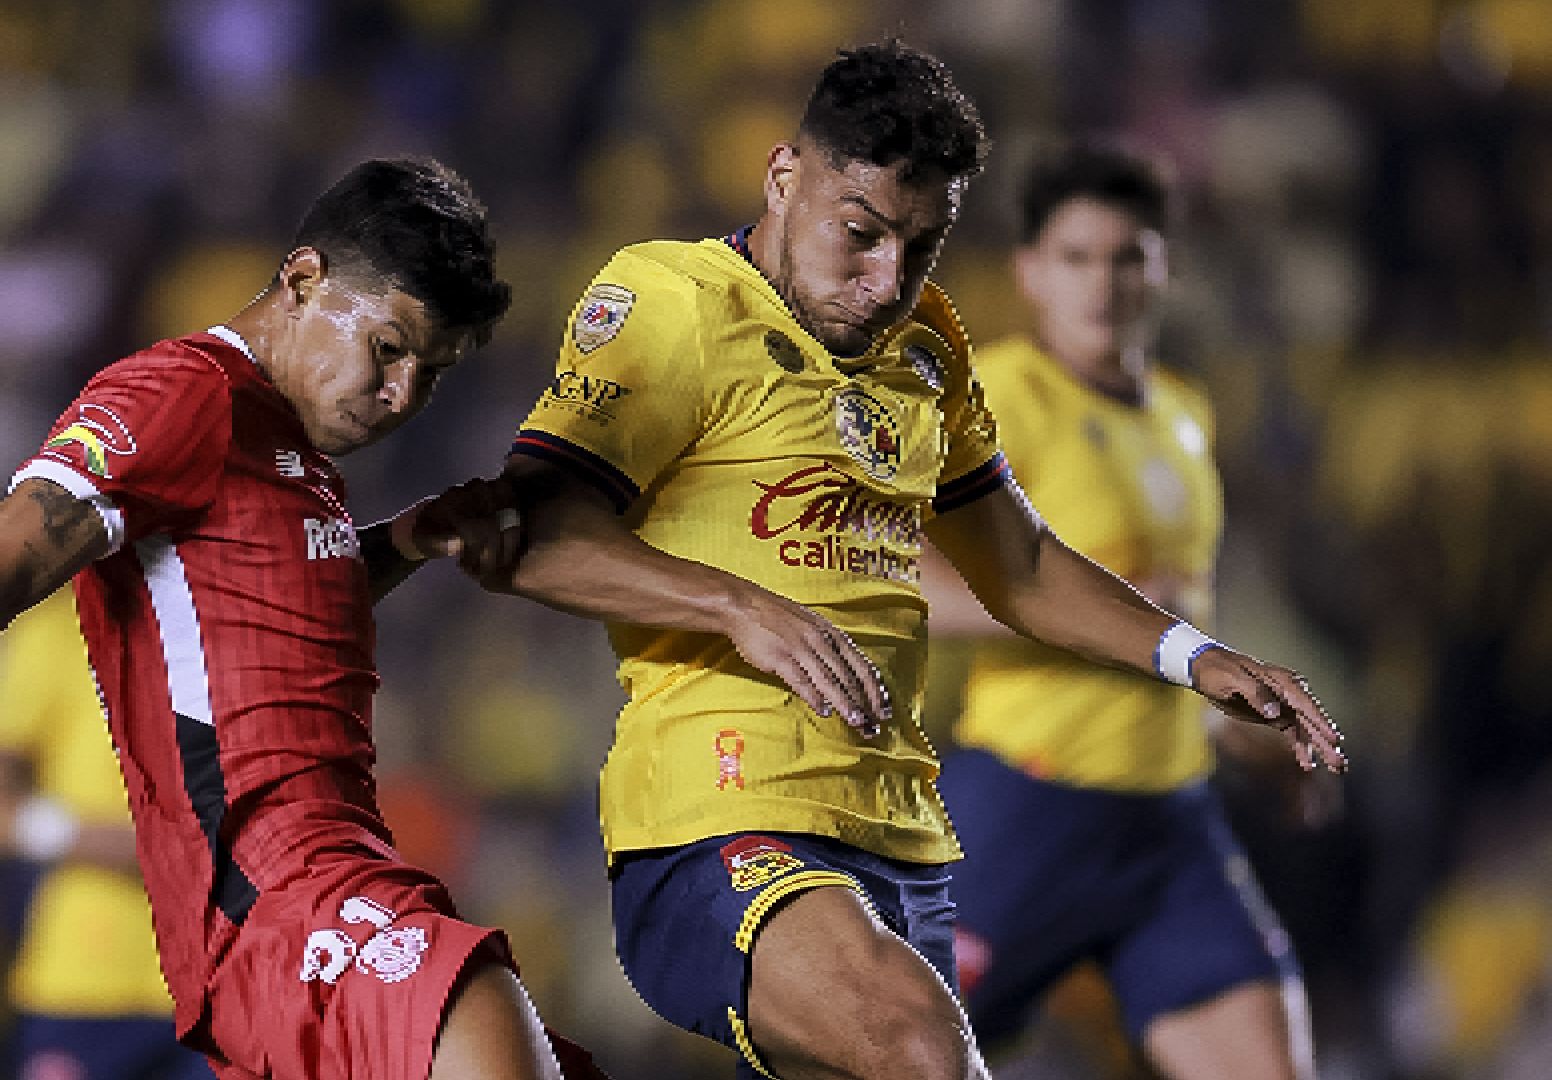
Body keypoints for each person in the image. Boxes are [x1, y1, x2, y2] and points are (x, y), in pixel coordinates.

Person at [489, 42, 1345, 1080]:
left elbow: (1019, 565)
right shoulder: (673, 298)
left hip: (903, 842)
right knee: (919, 1047)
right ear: (783, 177)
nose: (888, 279)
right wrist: (738, 606)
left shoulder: (928, 344)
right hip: (719, 821)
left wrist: (1192, 656)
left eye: (922, 246)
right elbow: (528, 533)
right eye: (861, 234)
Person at [0, 157, 607, 1080]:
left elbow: (268, 616)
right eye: (388, 349)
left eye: (433, 374)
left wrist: (406, 540)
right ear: (302, 280)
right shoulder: (186, 394)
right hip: (275, 900)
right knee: (480, 1015)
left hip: (320, 891)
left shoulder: (290, 455)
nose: (402, 396)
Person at [918, 143, 1330, 1080]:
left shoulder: (1185, 414)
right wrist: (1069, 602)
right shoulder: (993, 399)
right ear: (1030, 273)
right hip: (1026, 811)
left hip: (1169, 826)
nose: (1101, 283)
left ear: (1163, 270)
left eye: (1127, 257)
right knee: (888, 1057)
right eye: (1075, 258)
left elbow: (1174, 636)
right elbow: (894, 575)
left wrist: (1244, 739)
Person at [0, 583, 213, 1080]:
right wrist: (98, 840)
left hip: (227, 977)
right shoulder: (57, 634)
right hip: (88, 981)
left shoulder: (248, 626)